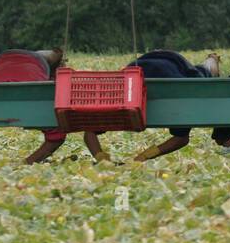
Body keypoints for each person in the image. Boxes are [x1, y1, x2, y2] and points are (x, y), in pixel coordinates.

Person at [0, 48, 95, 164]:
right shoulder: (39, 81)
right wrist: (26, 164)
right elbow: (56, 138)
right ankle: (29, 162)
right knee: (56, 135)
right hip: (32, 86)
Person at [87, 50, 221, 163]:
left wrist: (144, 157)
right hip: (143, 63)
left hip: (173, 64)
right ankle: (209, 64)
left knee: (202, 76)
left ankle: (211, 63)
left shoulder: (177, 95)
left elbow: (182, 138)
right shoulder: (118, 99)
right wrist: (102, 160)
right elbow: (90, 131)